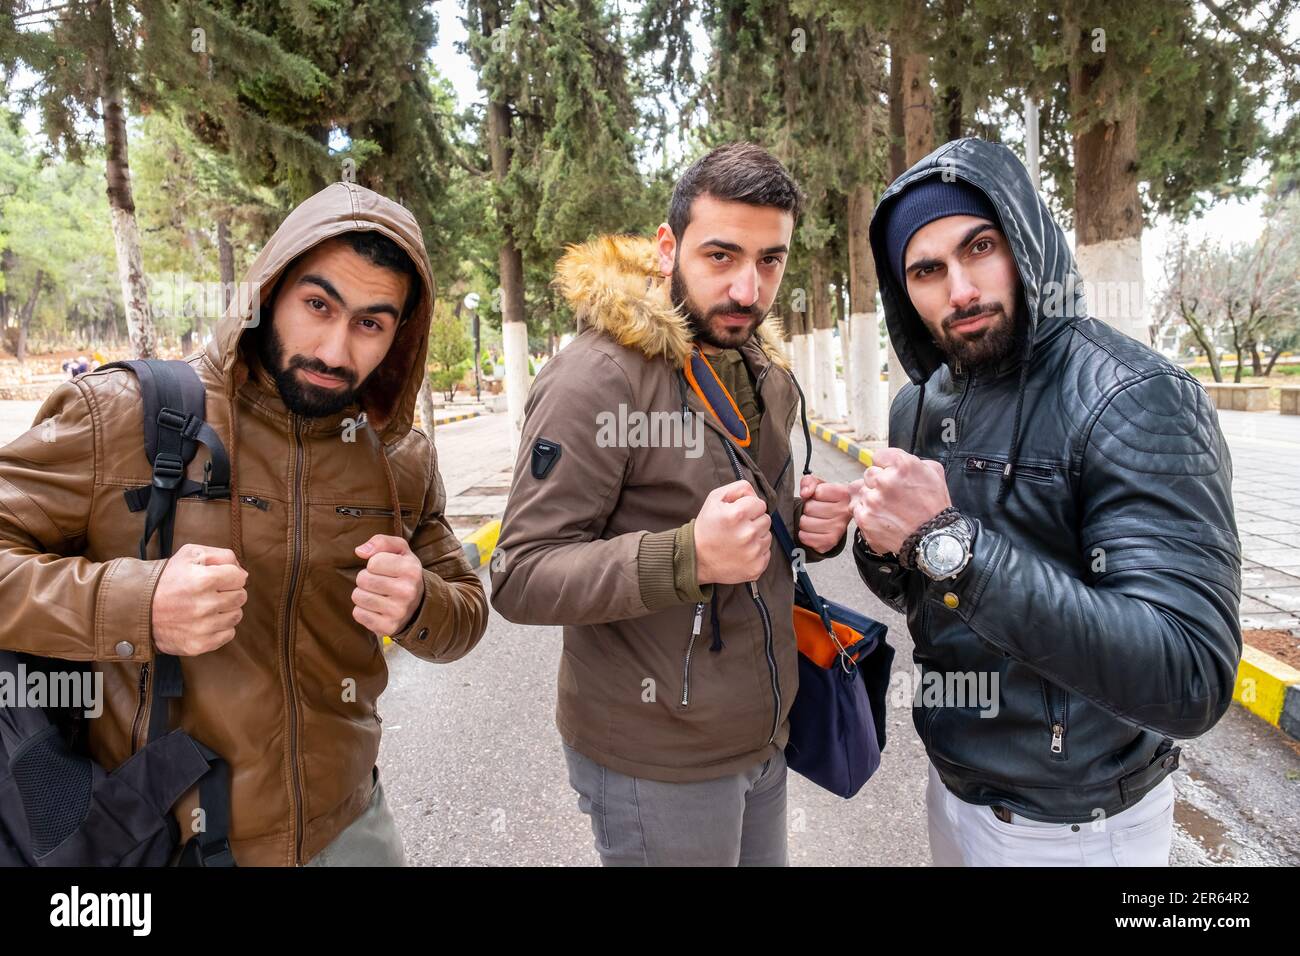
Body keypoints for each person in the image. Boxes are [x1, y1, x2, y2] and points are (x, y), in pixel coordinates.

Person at [0, 182, 490, 866]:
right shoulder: (122, 415)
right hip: (161, 841)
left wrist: (419, 605)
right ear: (270, 290)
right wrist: (137, 604)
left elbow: (466, 610)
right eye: (317, 305)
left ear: (400, 335)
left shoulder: (399, 458)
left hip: (352, 828)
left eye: (371, 324)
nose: (334, 350)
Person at [851, 137, 1241, 866]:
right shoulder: (920, 403)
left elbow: (1188, 676)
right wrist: (879, 544)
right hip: (954, 787)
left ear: (1026, 240)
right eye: (927, 270)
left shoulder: (1134, 396)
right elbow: (922, 592)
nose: (960, 290)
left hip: (1077, 828)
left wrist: (945, 541)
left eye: (980, 247)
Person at [491, 142, 858, 866]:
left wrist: (808, 525)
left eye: (770, 260)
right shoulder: (596, 379)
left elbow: (755, 528)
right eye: (721, 256)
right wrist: (688, 557)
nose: (748, 289)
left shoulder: (761, 367)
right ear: (668, 247)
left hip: (764, 736)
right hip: (655, 761)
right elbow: (520, 573)